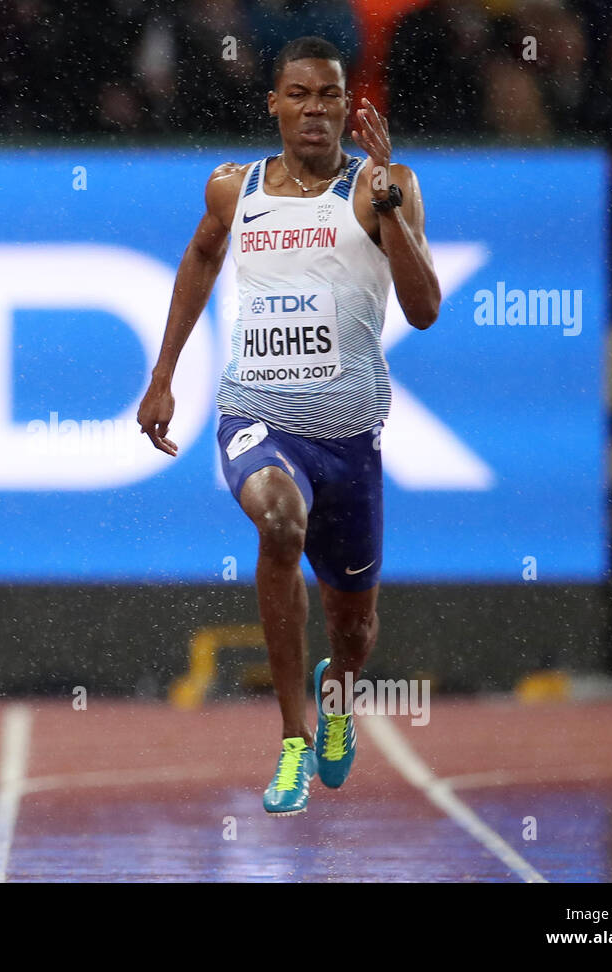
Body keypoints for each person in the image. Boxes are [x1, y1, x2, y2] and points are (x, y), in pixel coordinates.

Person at [138, 36, 439, 815]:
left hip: (349, 436)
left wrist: (391, 214)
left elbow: (425, 309)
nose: (314, 109)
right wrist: (164, 374)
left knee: (357, 629)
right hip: (257, 416)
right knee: (277, 522)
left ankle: (336, 692)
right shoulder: (233, 189)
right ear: (273, 103)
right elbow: (201, 259)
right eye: (298, 94)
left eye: (329, 96)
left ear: (349, 105)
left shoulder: (386, 183)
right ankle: (293, 741)